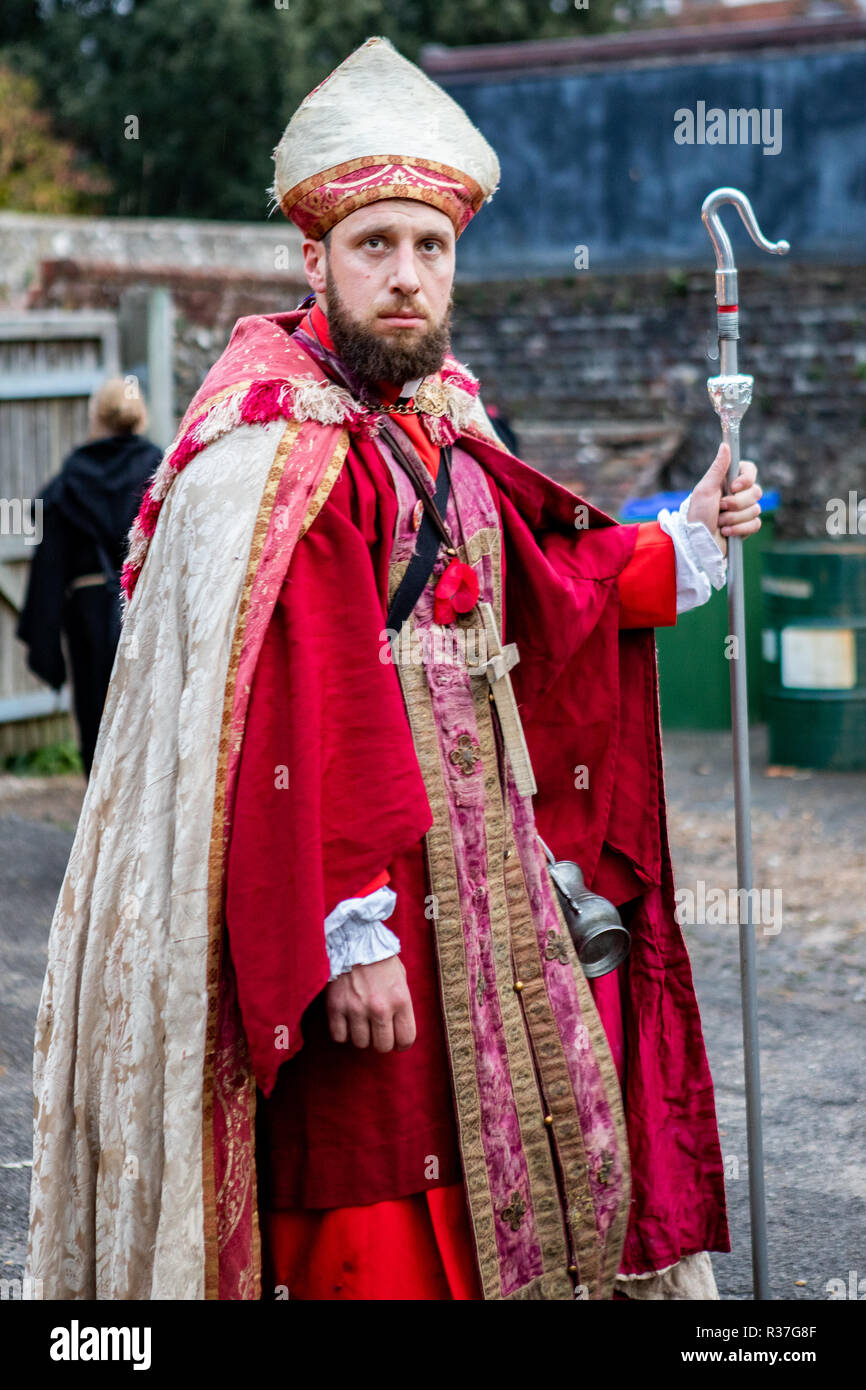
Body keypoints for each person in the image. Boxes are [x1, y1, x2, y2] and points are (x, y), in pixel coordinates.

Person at [27, 37, 764, 1301]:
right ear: (312, 258)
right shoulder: (266, 446)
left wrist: (680, 540)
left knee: (515, 1187)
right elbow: (297, 701)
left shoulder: (444, 424)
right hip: (350, 903)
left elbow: (545, 581)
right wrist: (346, 920)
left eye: (430, 248)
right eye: (376, 246)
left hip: (484, 891)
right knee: (371, 1189)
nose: (407, 277)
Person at [16, 377, 161, 775]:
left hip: (91, 617)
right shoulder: (161, 468)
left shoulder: (72, 478)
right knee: (148, 720)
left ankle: (101, 827)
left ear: (96, 417)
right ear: (138, 415)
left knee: (98, 724)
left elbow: (44, 526)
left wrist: (44, 633)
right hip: (147, 610)